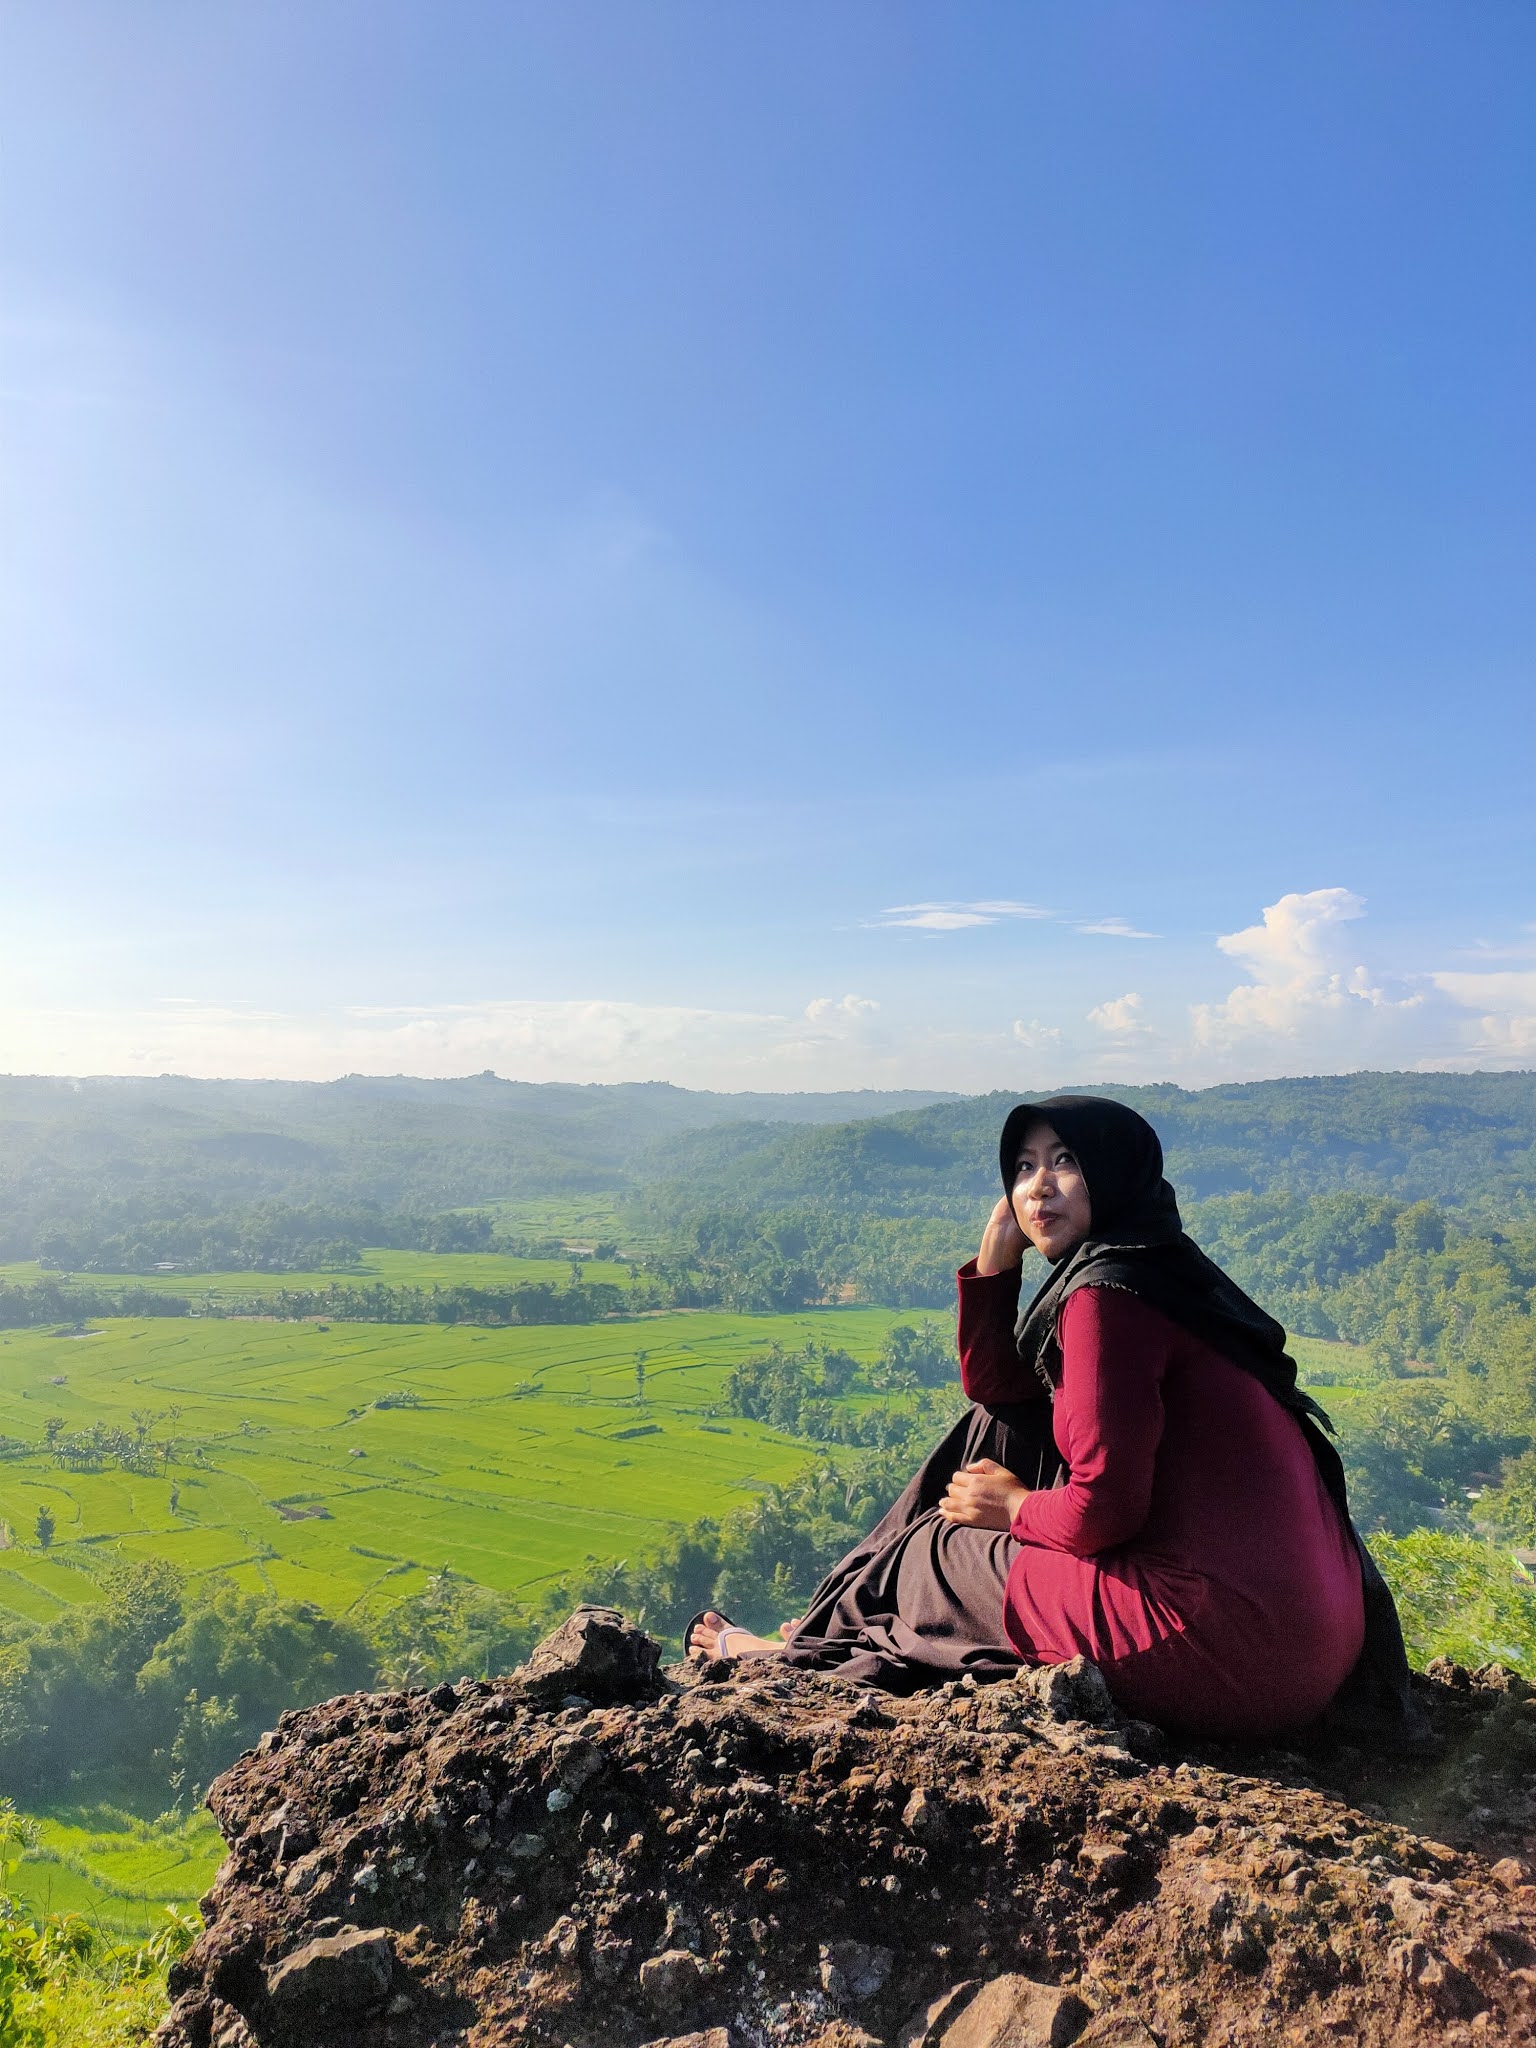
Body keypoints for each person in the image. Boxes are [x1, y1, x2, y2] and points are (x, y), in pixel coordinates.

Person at [688, 1094, 1423, 1743]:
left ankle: (792, 1660)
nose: (1038, 1185)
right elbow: (1000, 1394)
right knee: (993, 1433)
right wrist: (994, 1263)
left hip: (1221, 1651)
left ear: (1115, 1172)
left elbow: (1105, 1512)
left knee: (931, 1555)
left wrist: (1012, 1507)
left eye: (1065, 1160)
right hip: (1307, 1647)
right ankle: (830, 1625)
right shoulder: (1163, 1270)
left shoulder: (1108, 1298)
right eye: (1023, 1167)